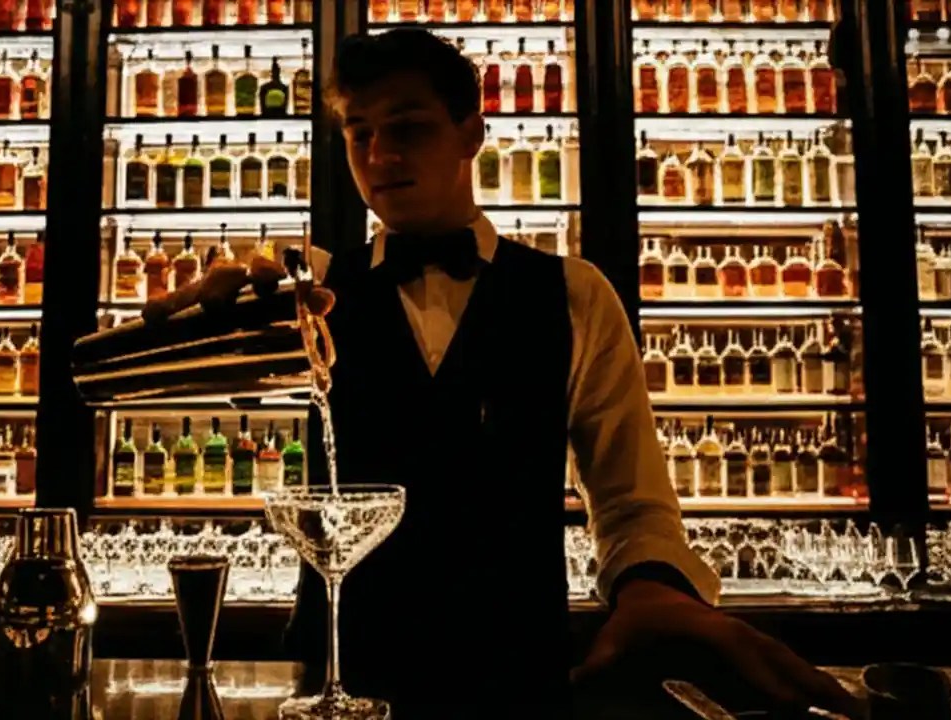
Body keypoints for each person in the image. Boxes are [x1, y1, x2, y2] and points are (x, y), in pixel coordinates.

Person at [288, 28, 861, 719]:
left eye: (408, 127)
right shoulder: (308, 293)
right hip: (341, 679)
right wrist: (193, 325)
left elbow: (631, 500)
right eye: (359, 134)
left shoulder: (573, 293)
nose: (380, 156)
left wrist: (651, 586)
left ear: (472, 133)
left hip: (520, 669)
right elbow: (178, 359)